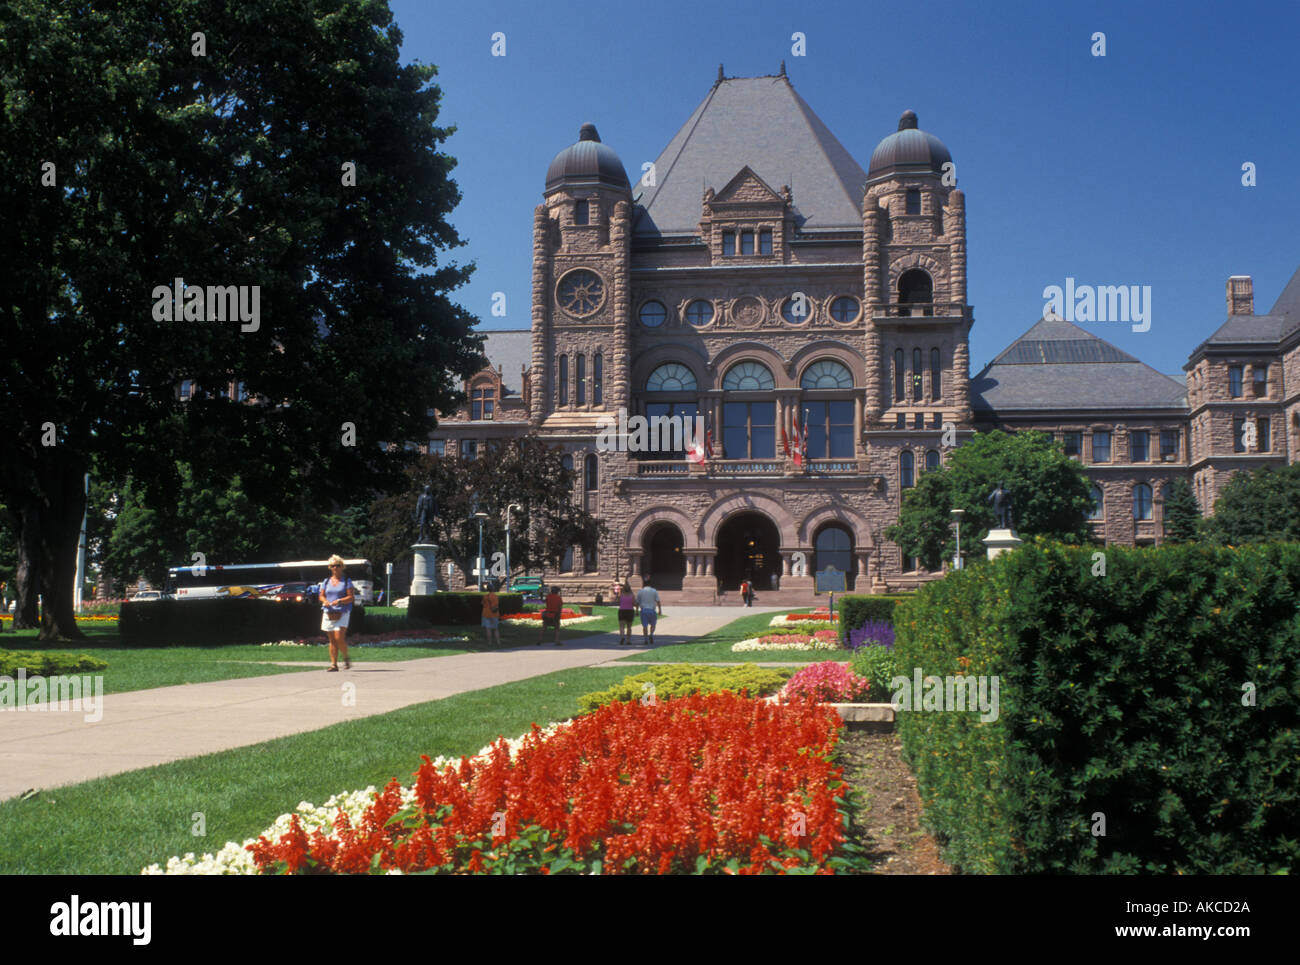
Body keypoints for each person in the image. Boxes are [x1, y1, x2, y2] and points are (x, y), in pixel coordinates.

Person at [319, 555, 355, 671]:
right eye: (333, 566)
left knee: (339, 637)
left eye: (337, 565)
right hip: (329, 612)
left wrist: (339, 600)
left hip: (343, 611)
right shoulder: (326, 581)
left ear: (342, 567)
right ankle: (334, 664)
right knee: (332, 640)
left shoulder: (346, 581)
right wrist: (325, 601)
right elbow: (321, 596)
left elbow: (351, 597)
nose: (335, 568)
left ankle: (345, 657)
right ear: (330, 567)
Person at [636, 578, 662, 645]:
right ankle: (651, 634)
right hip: (652, 610)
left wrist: (636, 611)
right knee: (653, 625)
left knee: (645, 626)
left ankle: (645, 639)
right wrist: (660, 610)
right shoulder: (654, 591)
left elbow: (637, 602)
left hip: (644, 610)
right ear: (650, 584)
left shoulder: (640, 591)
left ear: (643, 584)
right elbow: (658, 601)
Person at [481, 580, 501, 647]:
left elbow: (482, 604)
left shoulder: (485, 596)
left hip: (486, 614)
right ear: (493, 589)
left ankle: (489, 643)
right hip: (494, 614)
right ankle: (498, 642)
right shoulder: (495, 596)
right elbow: (496, 606)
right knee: (495, 629)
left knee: (488, 629)